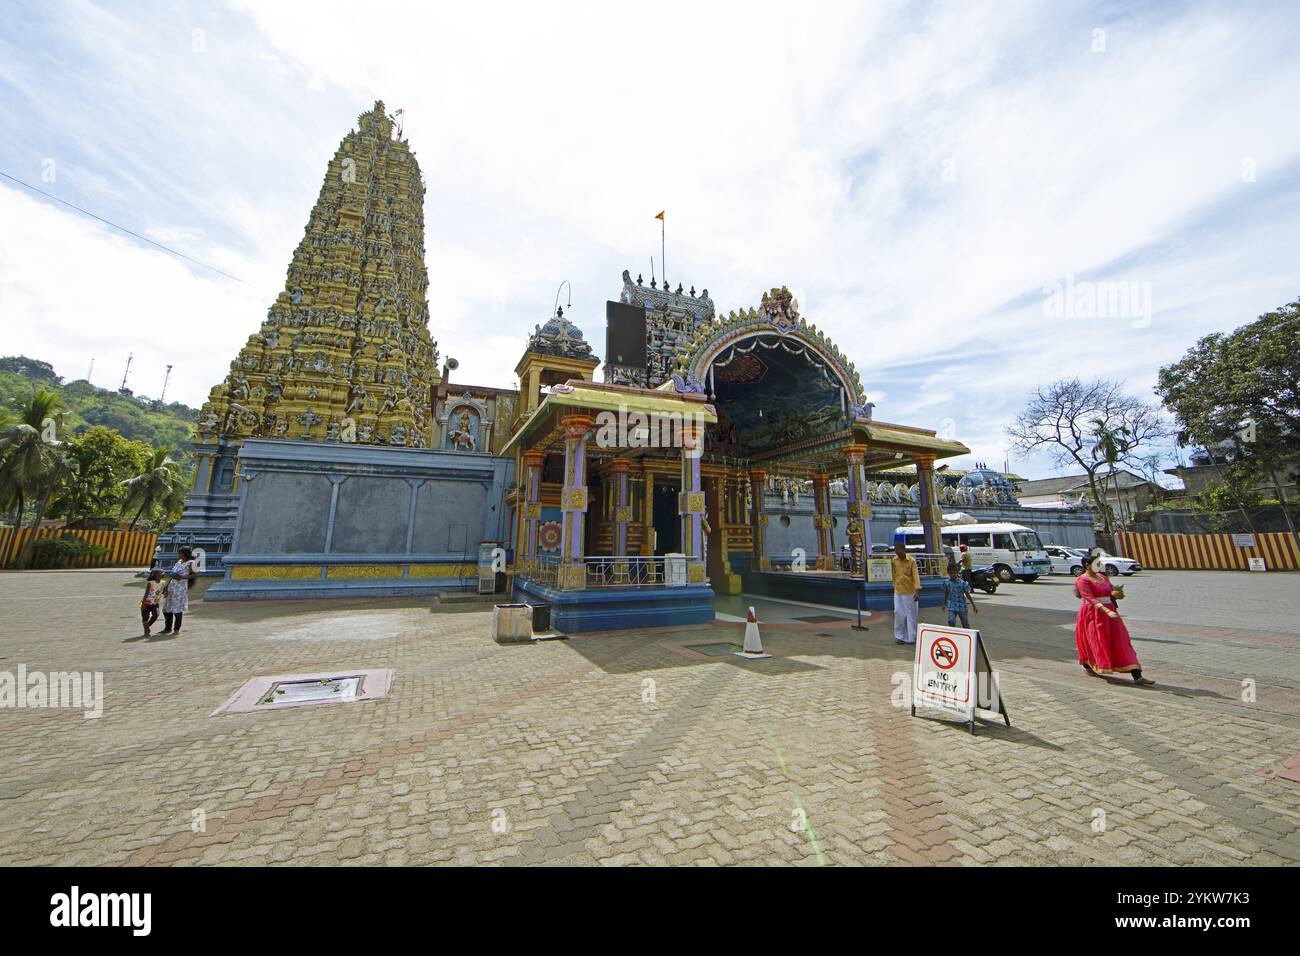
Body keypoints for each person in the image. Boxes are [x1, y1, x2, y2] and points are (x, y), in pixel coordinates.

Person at [1074, 548, 1154, 685]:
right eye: (1097, 564)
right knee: (1095, 641)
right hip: (1092, 614)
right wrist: (1106, 610)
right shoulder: (1082, 580)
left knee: (1121, 640)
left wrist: (1116, 594)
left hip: (1110, 613)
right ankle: (1088, 665)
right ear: (1087, 565)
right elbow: (1089, 598)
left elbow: (1109, 591)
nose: (1100, 566)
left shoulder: (1103, 577)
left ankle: (1137, 676)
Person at [161, 546, 199, 635]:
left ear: (185, 554)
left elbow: (195, 575)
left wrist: (182, 577)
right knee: (167, 608)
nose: (179, 555)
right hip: (172, 587)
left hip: (180, 588)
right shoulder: (179, 562)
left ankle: (176, 629)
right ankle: (167, 628)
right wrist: (166, 586)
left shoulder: (191, 563)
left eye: (180, 553)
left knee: (177, 609)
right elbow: (173, 575)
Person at [891, 536, 921, 645]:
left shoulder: (911, 561)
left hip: (910, 591)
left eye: (898, 549)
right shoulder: (894, 560)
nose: (896, 552)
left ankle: (912, 637)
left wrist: (917, 590)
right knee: (898, 613)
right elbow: (894, 574)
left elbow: (916, 576)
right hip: (898, 591)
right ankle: (900, 636)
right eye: (895, 549)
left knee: (911, 615)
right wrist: (893, 585)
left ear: (903, 549)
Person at [940, 564, 978, 628]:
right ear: (948, 573)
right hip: (952, 605)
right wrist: (944, 603)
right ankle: (952, 634)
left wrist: (973, 605)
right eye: (951, 573)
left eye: (955, 573)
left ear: (957, 572)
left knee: (965, 623)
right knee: (951, 621)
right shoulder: (946, 583)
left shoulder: (962, 583)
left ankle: (967, 634)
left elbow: (967, 594)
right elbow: (946, 593)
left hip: (962, 606)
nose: (953, 575)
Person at [140, 569, 165, 637]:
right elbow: (146, 594)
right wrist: (143, 604)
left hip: (155, 603)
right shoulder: (150, 583)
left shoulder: (163, 583)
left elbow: (162, 591)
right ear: (156, 575)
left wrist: (165, 593)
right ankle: (146, 631)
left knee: (156, 615)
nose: (163, 573)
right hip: (147, 602)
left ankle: (147, 626)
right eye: (161, 572)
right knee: (145, 617)